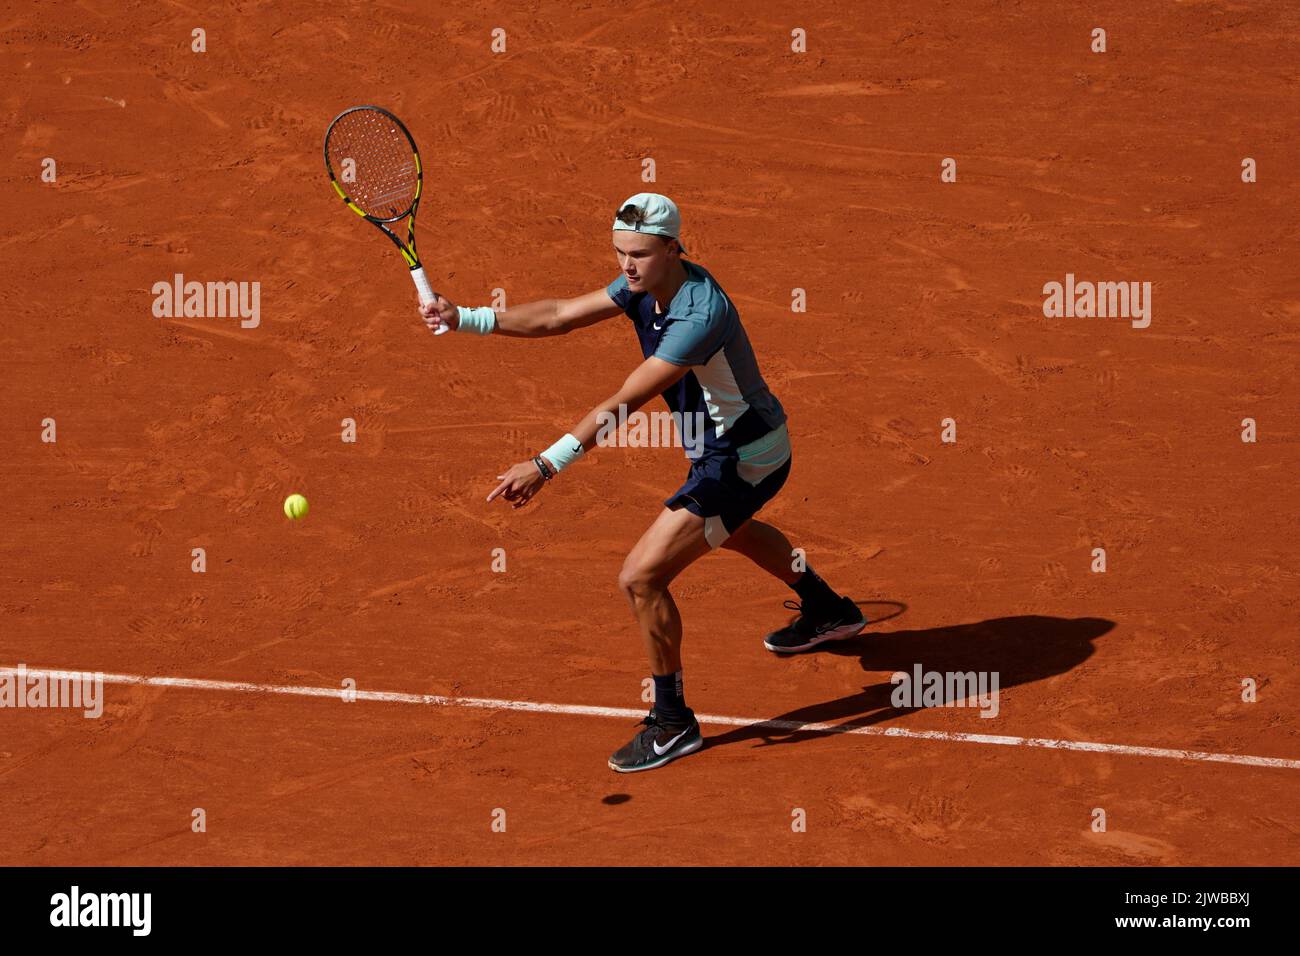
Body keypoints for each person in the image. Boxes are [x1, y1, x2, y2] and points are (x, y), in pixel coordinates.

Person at [416, 193, 866, 772]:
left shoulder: (697, 316)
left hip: (741, 457)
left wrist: (546, 464)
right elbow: (558, 315)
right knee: (733, 531)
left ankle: (673, 723)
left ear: (674, 248)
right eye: (621, 253)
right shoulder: (647, 283)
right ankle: (829, 610)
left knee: (640, 577)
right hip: (731, 449)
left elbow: (624, 402)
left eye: (641, 255)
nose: (628, 267)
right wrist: (466, 318)